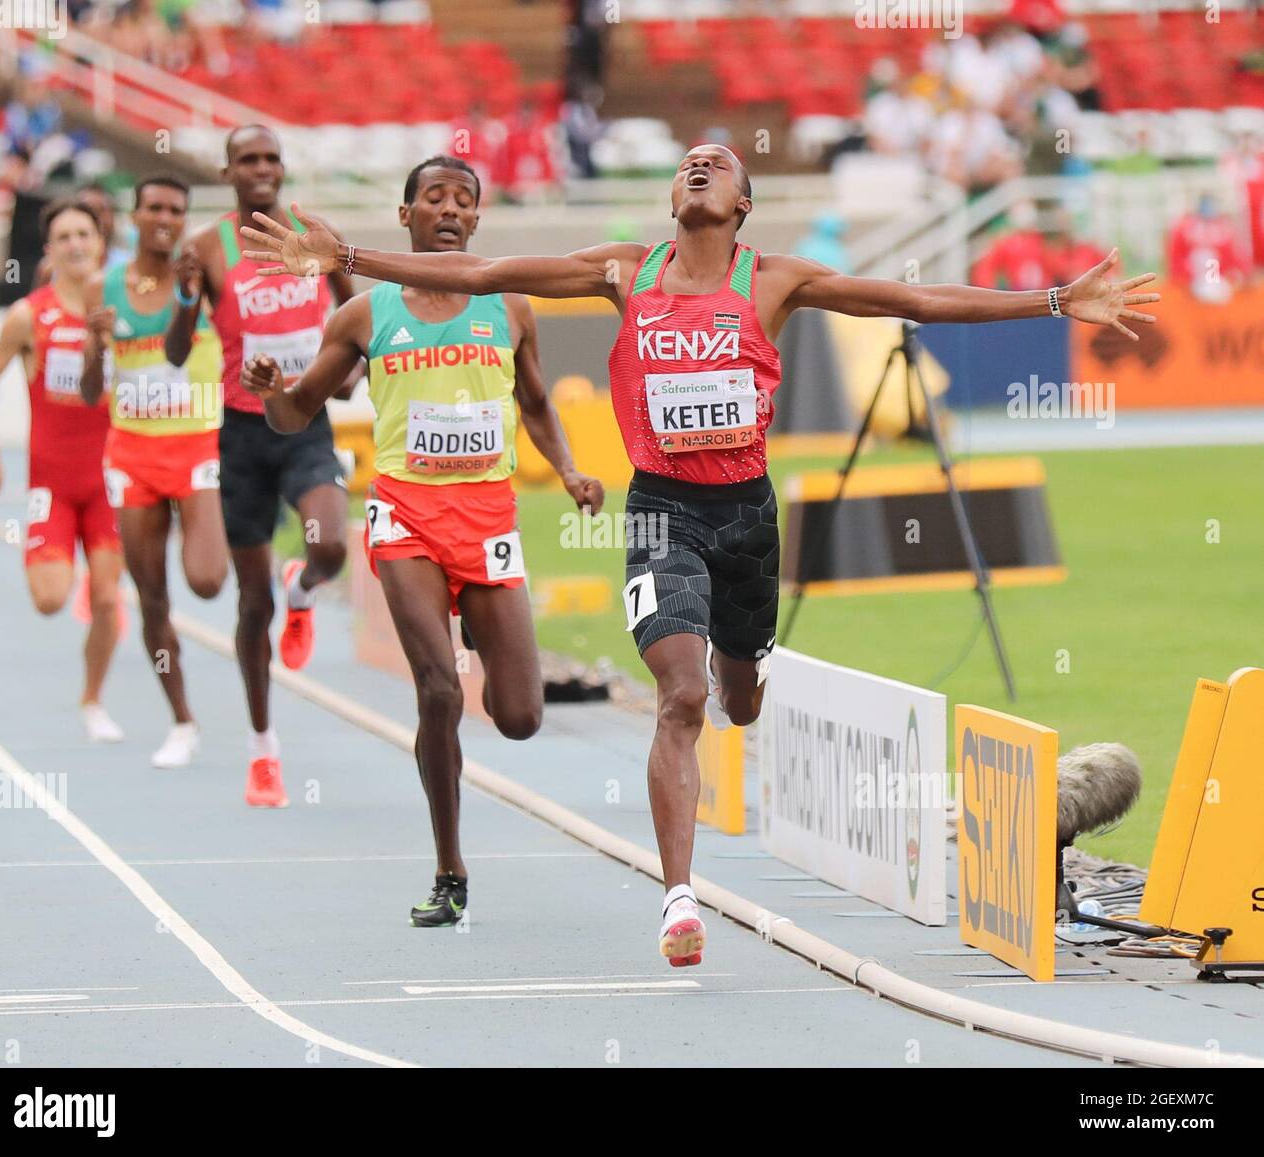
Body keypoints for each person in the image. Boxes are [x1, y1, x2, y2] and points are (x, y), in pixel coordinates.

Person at [240, 143, 1161, 966]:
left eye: (717, 164)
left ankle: (745, 662)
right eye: (685, 162)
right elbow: (485, 269)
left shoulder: (774, 280)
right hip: (659, 510)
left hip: (748, 518)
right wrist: (349, 258)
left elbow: (914, 300)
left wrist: (1052, 300)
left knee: (739, 696)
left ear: (744, 203)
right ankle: (680, 896)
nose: (696, 166)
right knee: (681, 698)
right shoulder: (622, 271)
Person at [241, 156, 603, 926]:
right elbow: (296, 414)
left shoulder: (509, 308)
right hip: (406, 514)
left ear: (477, 221)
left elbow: (537, 405)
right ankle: (450, 867)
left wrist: (569, 470)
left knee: (520, 716)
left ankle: (473, 609)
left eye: (463, 200)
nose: (448, 209)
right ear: (404, 218)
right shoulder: (367, 315)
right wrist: (271, 390)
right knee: (439, 691)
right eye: (432, 198)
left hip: (489, 519)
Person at [171, 124, 357, 808]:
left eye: (271, 157)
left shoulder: (313, 232)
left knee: (333, 545)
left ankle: (304, 588)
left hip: (305, 421)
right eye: (247, 159)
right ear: (228, 173)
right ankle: (262, 749)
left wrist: (346, 371)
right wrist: (189, 297)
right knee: (252, 604)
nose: (261, 168)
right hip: (243, 435)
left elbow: (358, 310)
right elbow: (172, 347)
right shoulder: (206, 247)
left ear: (282, 168)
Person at [81, 175, 227, 769]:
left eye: (176, 209)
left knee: (208, 580)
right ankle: (182, 719)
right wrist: (94, 347)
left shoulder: (204, 282)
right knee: (152, 599)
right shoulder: (104, 286)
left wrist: (191, 298)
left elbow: (194, 349)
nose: (165, 217)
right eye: (154, 208)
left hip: (195, 449)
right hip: (133, 457)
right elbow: (92, 392)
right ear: (134, 216)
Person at [0, 200, 125, 742]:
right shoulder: (27, 316)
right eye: (64, 237)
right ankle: (63, 561)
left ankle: (93, 699)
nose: (76, 244)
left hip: (110, 482)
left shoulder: (126, 310)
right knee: (50, 600)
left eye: (85, 233)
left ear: (101, 242)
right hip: (52, 484)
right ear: (50, 250)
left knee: (108, 599)